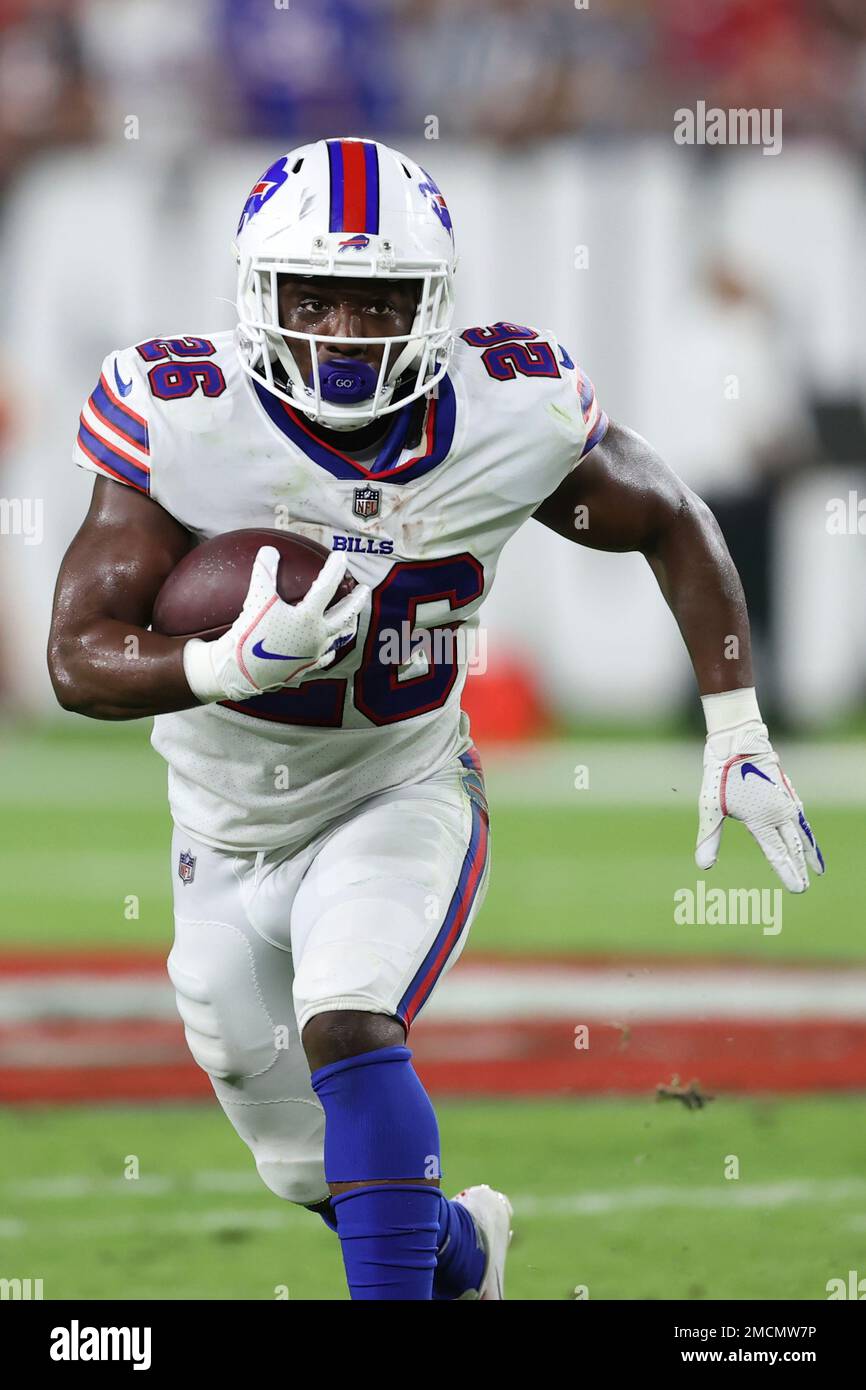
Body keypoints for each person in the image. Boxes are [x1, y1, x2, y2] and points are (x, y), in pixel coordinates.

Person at [47, 138, 824, 1301]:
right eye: (314, 294)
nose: (347, 329)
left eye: (380, 300)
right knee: (289, 1155)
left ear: (437, 306)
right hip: (220, 820)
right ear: (258, 293)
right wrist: (219, 661)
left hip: (397, 788)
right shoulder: (185, 417)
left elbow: (668, 515)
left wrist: (734, 723)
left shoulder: (506, 407)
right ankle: (463, 1255)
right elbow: (75, 657)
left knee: (348, 1021)